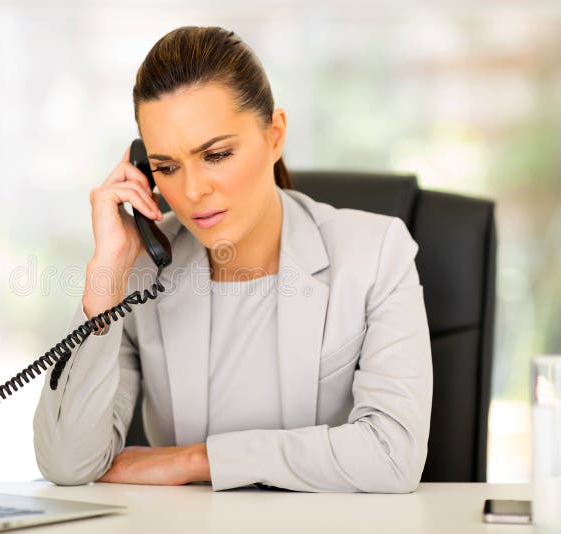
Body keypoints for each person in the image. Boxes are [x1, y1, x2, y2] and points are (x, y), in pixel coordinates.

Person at [33, 25, 432, 493]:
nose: (194, 190)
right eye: (166, 167)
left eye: (217, 154)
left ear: (275, 135)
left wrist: (198, 461)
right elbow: (66, 463)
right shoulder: (142, 273)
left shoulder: (377, 253)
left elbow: (391, 456)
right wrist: (106, 282)